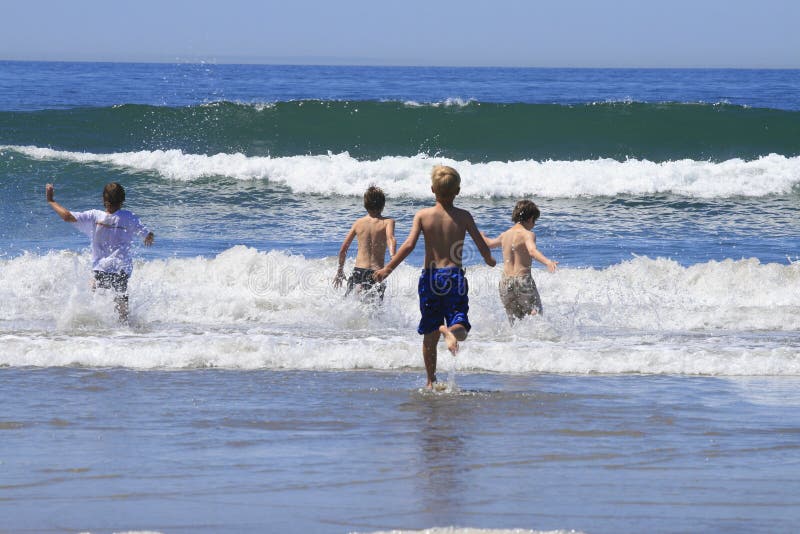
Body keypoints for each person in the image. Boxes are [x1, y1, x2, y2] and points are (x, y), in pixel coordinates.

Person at [373, 165, 496, 389]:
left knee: (429, 333)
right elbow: (481, 246)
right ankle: (449, 331)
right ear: (458, 191)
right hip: (454, 278)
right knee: (461, 326)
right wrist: (490, 260)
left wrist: (387, 269)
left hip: (430, 278)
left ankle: (431, 380)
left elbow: (409, 245)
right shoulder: (464, 216)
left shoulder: (423, 215)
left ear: (432, 189)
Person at [45, 182, 154, 322]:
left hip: (100, 270)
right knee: (123, 315)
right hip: (120, 270)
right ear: (123, 200)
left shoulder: (94, 216)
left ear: (104, 200)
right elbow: (147, 234)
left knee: (95, 305)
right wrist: (148, 237)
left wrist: (51, 200)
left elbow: (66, 216)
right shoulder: (129, 217)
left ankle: (96, 334)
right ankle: (124, 336)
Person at [482, 199, 557, 323]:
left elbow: (489, 244)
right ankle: (539, 342)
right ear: (530, 218)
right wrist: (548, 262)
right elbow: (532, 251)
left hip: (505, 283)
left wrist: (482, 236)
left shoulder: (505, 234)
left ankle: (516, 342)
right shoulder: (528, 234)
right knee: (537, 315)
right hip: (523, 280)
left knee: (515, 321)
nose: (534, 224)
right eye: (535, 221)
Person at [333, 185, 396, 303]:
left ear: (365, 205)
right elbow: (390, 239)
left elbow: (343, 249)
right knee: (375, 311)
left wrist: (340, 271)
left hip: (358, 272)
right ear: (383, 205)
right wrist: (393, 257)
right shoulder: (388, 222)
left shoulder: (358, 223)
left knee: (350, 307)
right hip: (376, 273)